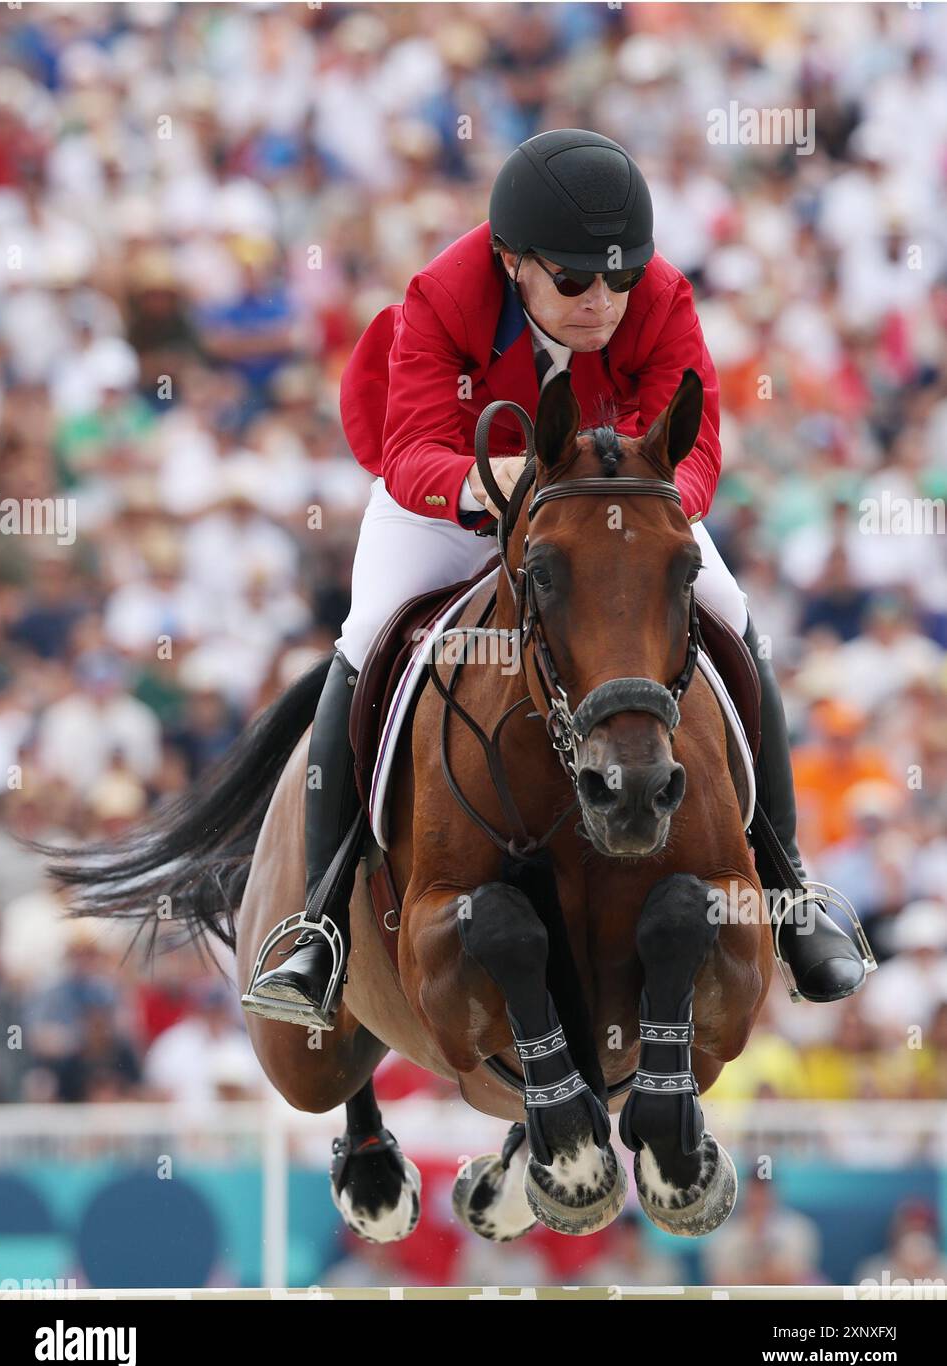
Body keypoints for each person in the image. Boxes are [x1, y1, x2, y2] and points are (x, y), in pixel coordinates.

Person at [242, 129, 868, 1030]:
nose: (602, 302)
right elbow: (410, 442)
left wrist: (658, 501)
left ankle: (790, 888)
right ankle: (320, 919)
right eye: (573, 281)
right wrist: (483, 484)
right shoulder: (445, 294)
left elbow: (698, 450)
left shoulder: (661, 298)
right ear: (512, 262)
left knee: (733, 614)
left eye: (617, 279)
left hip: (606, 508)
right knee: (367, 630)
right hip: (457, 497)